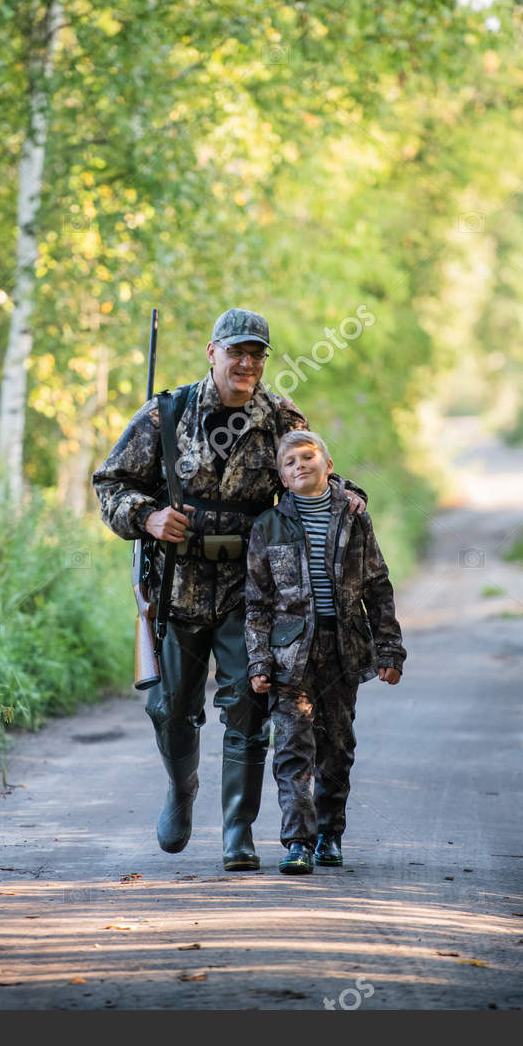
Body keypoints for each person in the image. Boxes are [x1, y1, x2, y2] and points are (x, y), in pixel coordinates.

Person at [93, 308, 365, 870]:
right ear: (211, 353)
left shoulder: (281, 418)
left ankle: (237, 832)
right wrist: (145, 517)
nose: (247, 363)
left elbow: (308, 473)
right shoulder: (165, 414)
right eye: (236, 352)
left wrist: (345, 495)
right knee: (169, 707)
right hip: (178, 586)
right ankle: (181, 788)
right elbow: (110, 483)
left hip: (253, 591)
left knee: (248, 706)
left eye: (257, 354)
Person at [245, 429, 405, 874]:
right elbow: (257, 602)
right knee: (293, 750)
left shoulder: (354, 518)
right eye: (290, 461)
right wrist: (258, 661)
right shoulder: (268, 525)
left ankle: (330, 835)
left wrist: (390, 649)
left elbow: (377, 584)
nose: (300, 465)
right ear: (281, 476)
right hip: (288, 657)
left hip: (343, 649)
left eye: (308, 456)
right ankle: (297, 841)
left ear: (329, 465)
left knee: (337, 746)